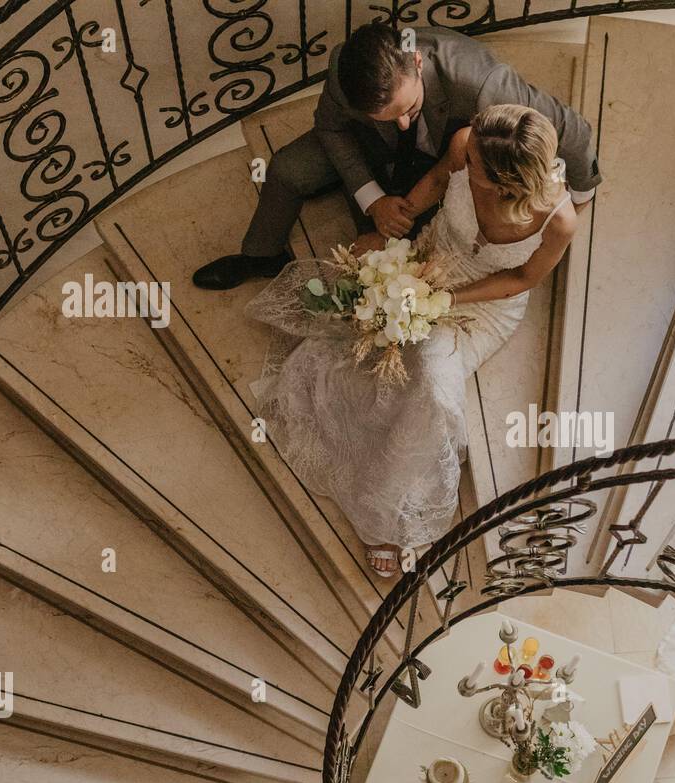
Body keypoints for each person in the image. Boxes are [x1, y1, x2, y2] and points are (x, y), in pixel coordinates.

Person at [246, 105, 578, 576]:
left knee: (431, 387)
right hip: (429, 258)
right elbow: (440, 182)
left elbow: (521, 277)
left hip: (483, 304)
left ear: (506, 182)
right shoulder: (469, 141)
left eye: (478, 166)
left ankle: (385, 508)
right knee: (365, 331)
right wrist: (392, 224)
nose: (467, 154)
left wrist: (446, 299)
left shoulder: (559, 222)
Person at [193, 23, 599, 290]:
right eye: (388, 116)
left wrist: (578, 198)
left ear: (418, 63)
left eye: (409, 110)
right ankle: (261, 256)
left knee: (379, 258)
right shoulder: (343, 67)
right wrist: (371, 197)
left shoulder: (482, 84)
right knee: (283, 169)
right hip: (368, 148)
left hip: (444, 159)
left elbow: (572, 130)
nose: (403, 124)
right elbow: (331, 127)